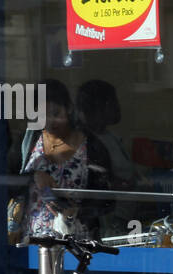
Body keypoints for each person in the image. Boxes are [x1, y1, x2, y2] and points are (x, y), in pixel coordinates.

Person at [18, 79, 110, 241]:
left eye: (55, 113)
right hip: (33, 241)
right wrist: (34, 175)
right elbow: (8, 179)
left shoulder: (92, 147)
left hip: (77, 242)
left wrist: (78, 212)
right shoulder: (29, 141)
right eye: (42, 114)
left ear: (68, 109)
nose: (50, 121)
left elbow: (106, 199)